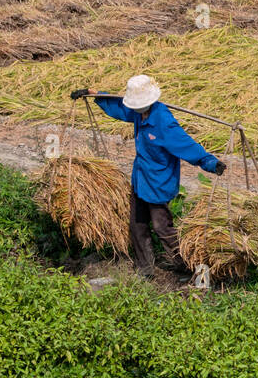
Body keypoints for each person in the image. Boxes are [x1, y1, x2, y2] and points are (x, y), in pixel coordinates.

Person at [70, 75, 226, 279]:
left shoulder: (164, 122)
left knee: (162, 227)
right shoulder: (137, 112)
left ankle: (186, 264)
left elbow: (187, 146)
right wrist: (96, 96)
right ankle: (145, 268)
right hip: (140, 179)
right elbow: (119, 109)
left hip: (159, 183)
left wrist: (211, 163)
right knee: (137, 224)